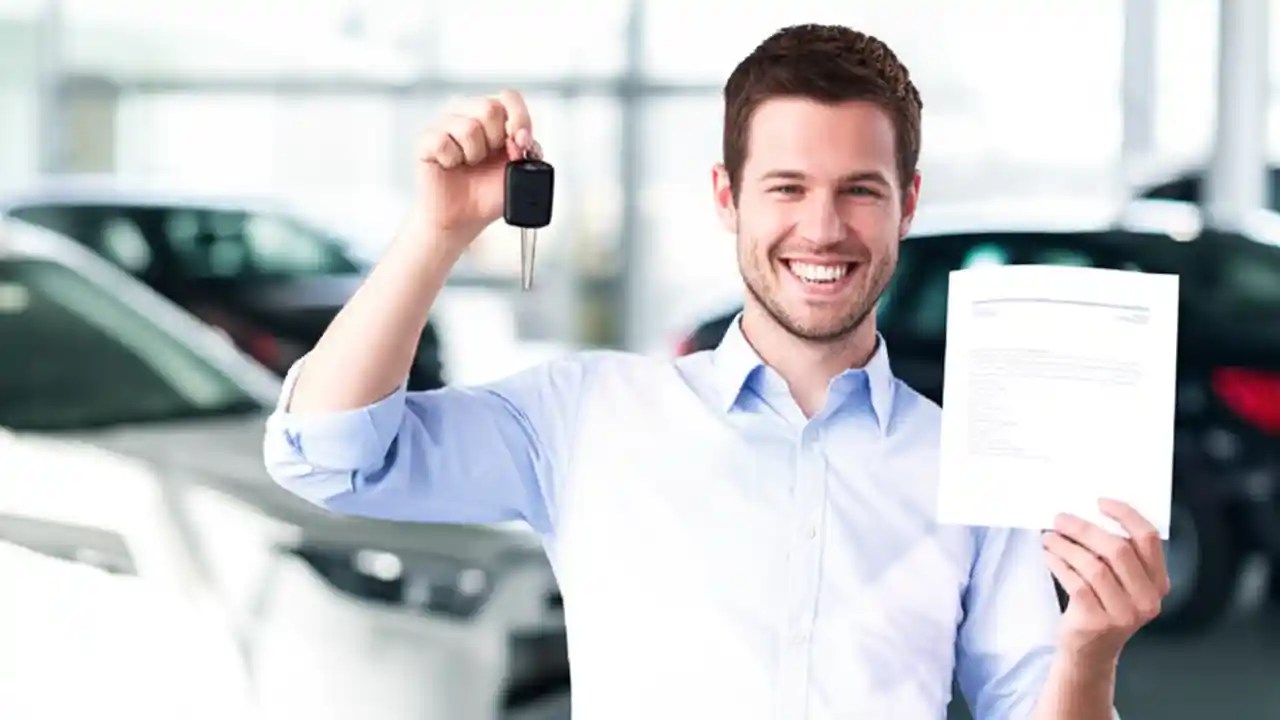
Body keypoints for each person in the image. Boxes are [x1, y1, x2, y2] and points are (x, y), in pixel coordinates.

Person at [264, 23, 1169, 720]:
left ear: (908, 205)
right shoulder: (586, 415)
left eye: (860, 189)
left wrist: (1089, 653)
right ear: (727, 199)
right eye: (787, 188)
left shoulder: (971, 468)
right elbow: (330, 456)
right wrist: (440, 232)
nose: (822, 229)